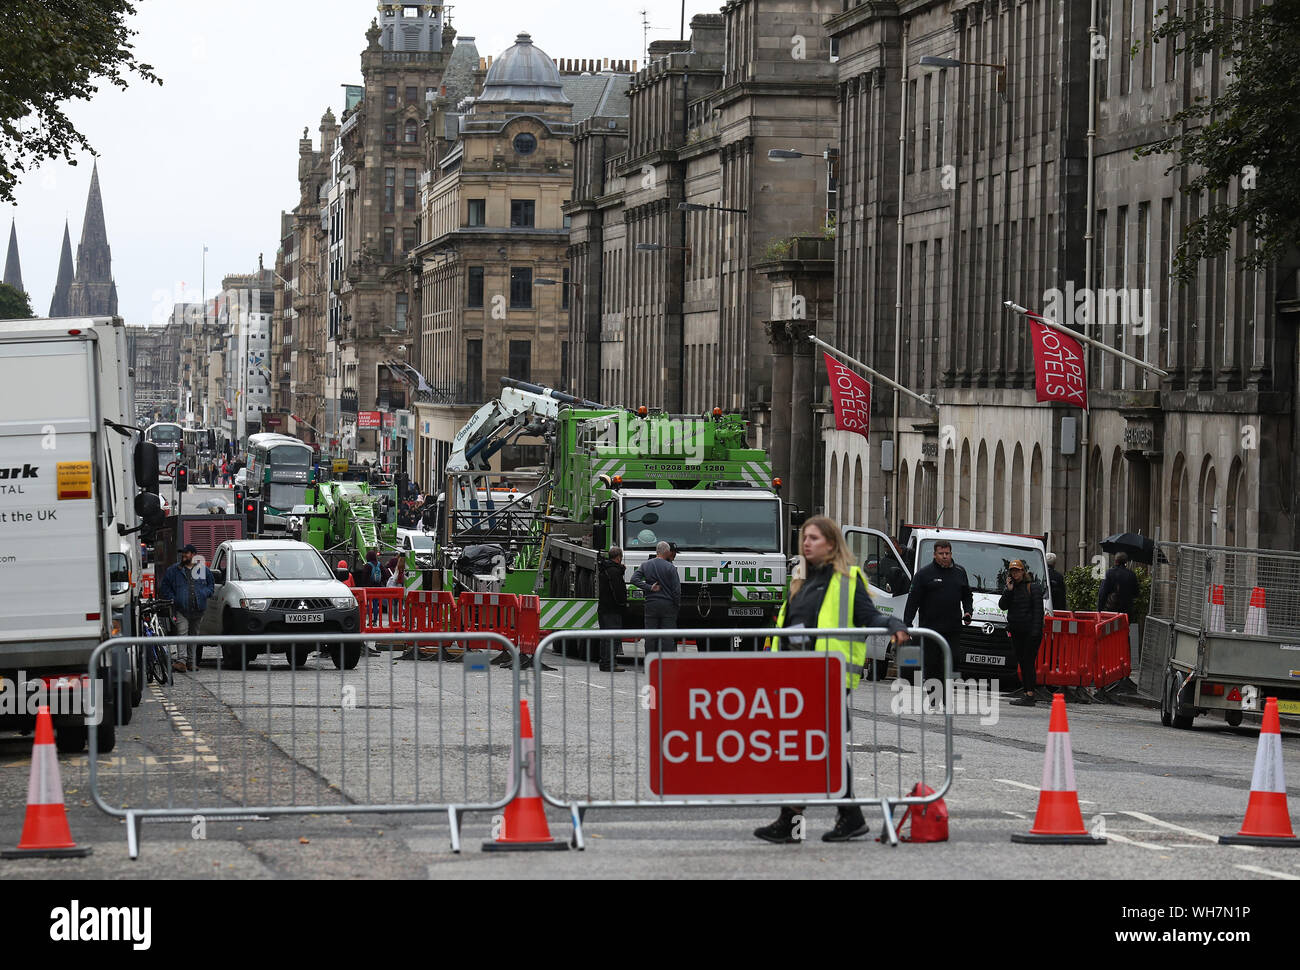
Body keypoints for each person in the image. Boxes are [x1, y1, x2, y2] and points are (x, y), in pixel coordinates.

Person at [754, 516, 911, 844]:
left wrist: (894, 623)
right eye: (805, 538)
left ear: (831, 543)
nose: (806, 543)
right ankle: (846, 817)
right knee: (817, 750)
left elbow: (867, 615)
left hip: (827, 678)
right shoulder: (801, 581)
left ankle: (795, 822)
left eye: (814, 537)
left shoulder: (846, 579)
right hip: (796, 678)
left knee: (813, 749)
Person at [903, 539, 973, 682]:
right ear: (935, 555)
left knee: (952, 660)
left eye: (947, 553)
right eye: (941, 553)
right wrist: (907, 624)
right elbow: (912, 602)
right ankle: (934, 695)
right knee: (932, 664)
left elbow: (967, 595)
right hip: (930, 629)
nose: (945, 556)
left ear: (951, 553)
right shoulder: (924, 574)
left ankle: (945, 689)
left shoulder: (960, 572)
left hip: (952, 628)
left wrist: (968, 611)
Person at [159, 544, 214, 672]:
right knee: (182, 633)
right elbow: (165, 586)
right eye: (183, 553)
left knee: (194, 636)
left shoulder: (203, 569)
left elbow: (211, 584)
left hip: (198, 608)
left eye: (187, 553)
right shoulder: (174, 570)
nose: (184, 555)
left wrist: (205, 593)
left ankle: (191, 661)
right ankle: (181, 661)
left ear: (194, 555)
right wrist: (174, 598)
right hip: (182, 608)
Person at [1001, 559, 1047, 706]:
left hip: (1030, 633)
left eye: (1017, 570)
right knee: (1023, 662)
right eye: (1012, 571)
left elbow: (1038, 612)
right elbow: (1002, 606)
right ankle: (1027, 692)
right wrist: (1008, 590)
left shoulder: (1033, 587)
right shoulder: (1011, 588)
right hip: (1017, 632)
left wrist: (1035, 632)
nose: (1015, 573)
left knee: (1028, 663)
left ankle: (1029, 694)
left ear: (1023, 571)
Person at [631, 542, 681, 655]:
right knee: (667, 636)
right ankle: (666, 664)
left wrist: (649, 587)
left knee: (650, 636)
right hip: (668, 605)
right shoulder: (671, 568)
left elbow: (634, 579)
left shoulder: (646, 565)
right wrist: (677, 605)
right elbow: (676, 590)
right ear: (667, 552)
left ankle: (650, 663)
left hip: (651, 604)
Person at [596, 546, 629, 672]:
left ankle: (605, 662)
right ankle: (610, 663)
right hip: (612, 609)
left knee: (605, 637)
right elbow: (617, 590)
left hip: (604, 608)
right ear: (619, 557)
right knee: (613, 637)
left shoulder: (605, 569)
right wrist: (623, 604)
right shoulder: (614, 571)